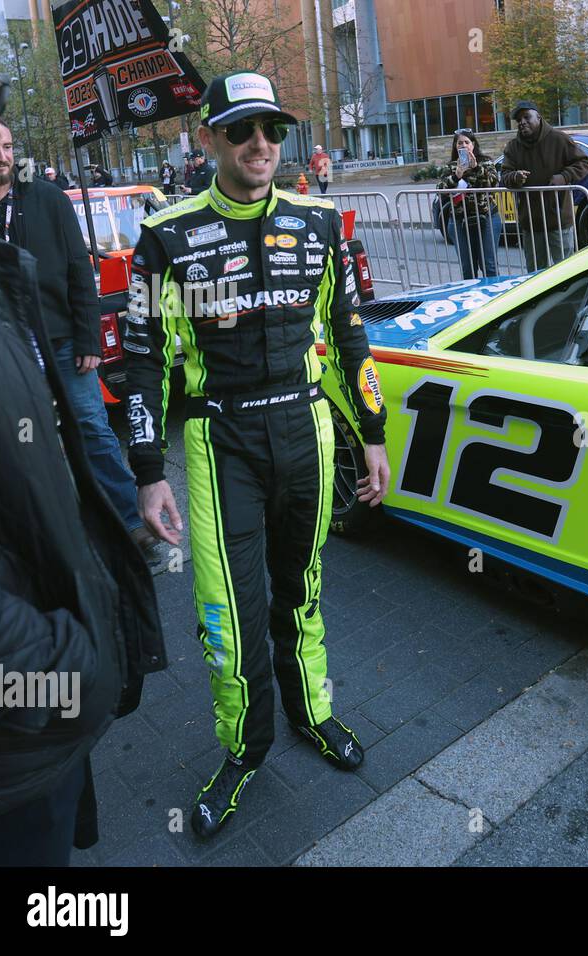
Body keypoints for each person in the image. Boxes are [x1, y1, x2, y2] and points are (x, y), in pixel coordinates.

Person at [125, 71, 390, 839]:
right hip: (220, 442)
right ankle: (246, 748)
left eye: (272, 129)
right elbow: (142, 360)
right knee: (228, 613)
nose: (260, 144)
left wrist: (370, 435)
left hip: (304, 430)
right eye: (241, 130)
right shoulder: (164, 235)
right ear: (208, 138)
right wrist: (148, 474)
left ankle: (313, 711)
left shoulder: (320, 221)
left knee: (299, 589)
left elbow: (350, 334)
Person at [0, 54, 166, 867]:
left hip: (60, 358)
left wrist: (87, 346)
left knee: (89, 448)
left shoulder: (44, 203)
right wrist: (67, 670)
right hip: (17, 737)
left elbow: (85, 281)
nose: (1, 126)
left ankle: (133, 526)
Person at [0, 124, 169, 574]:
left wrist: (88, 337)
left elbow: (80, 273)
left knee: (93, 430)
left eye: (8, 146)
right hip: (5, 351)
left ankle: (130, 524)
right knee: (22, 440)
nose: (3, 155)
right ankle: (52, 538)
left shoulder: (47, 198)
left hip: (64, 342)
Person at [499, 101, 588, 272]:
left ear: (539, 117)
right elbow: (504, 176)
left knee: (565, 273)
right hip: (531, 223)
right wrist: (515, 177)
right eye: (518, 119)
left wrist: (564, 176)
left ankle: (567, 299)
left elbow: (585, 162)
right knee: (535, 275)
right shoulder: (513, 147)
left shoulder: (559, 139)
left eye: (527, 117)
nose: (522, 122)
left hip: (558, 220)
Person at [437, 128, 501, 280]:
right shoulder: (451, 167)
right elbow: (441, 190)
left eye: (467, 142)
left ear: (473, 145)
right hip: (460, 220)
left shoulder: (485, 161)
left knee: (489, 266)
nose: (463, 146)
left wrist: (476, 168)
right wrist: (457, 175)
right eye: (460, 143)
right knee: (468, 269)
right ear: (455, 146)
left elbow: (493, 183)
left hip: (487, 217)